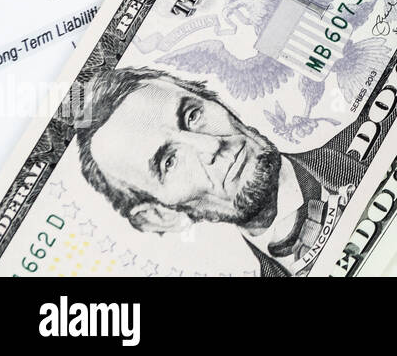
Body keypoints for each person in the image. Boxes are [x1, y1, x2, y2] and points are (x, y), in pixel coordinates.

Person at [74, 66, 365, 276]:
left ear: (219, 102)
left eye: (193, 115)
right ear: (161, 217)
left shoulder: (385, 126)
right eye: (169, 161)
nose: (210, 146)